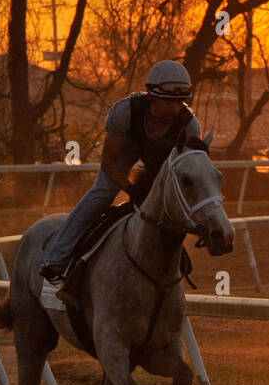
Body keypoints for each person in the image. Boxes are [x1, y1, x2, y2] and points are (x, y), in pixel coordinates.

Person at [39, 60, 201, 307]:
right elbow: (109, 162)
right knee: (103, 192)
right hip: (125, 150)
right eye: (168, 101)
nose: (174, 108)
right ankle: (56, 256)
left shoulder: (189, 126)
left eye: (180, 102)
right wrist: (129, 188)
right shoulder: (124, 112)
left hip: (162, 159)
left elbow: (188, 171)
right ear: (150, 97)